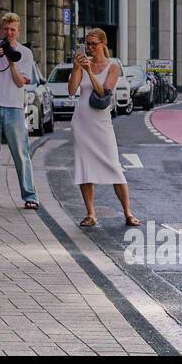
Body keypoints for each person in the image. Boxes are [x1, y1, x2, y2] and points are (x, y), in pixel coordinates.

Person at [69, 29, 140, 228]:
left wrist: (90, 72)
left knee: (114, 166)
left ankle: (128, 212)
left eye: (93, 44)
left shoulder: (113, 66)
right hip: (81, 122)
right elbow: (72, 90)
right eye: (87, 44)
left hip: (101, 123)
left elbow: (103, 92)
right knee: (84, 168)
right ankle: (90, 213)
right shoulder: (82, 64)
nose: (90, 47)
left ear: (103, 43)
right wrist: (77, 68)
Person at [0, 12, 39, 210]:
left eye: (13, 29)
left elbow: (21, 83)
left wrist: (12, 62)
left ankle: (30, 195)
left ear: (19, 31)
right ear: (1, 30)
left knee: (21, 153)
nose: (9, 33)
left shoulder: (25, 53)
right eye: (6, 29)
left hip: (15, 108)